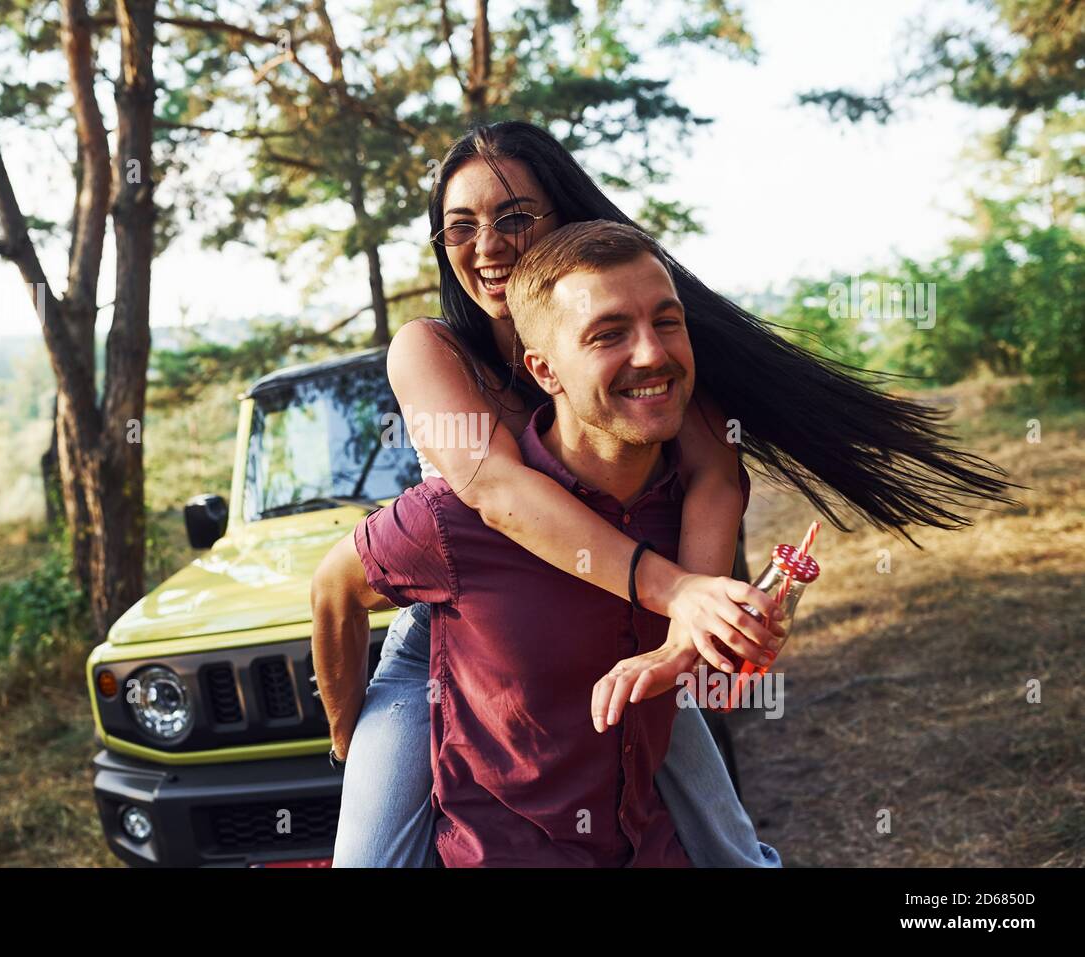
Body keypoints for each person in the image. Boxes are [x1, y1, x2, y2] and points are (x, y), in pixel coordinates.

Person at [315, 121, 1013, 868]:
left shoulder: (644, 332)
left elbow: (715, 475)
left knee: (729, 849)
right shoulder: (431, 349)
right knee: (371, 856)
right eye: (459, 226)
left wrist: (692, 629)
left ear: (564, 217)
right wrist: (677, 588)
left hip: (625, 618)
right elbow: (493, 486)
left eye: (514, 217)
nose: (485, 244)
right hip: (468, 634)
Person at [316, 221, 738, 865]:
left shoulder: (686, 489)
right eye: (608, 334)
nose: (490, 245)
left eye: (516, 219)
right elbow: (335, 586)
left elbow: (719, 494)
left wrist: (723, 631)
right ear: (543, 369)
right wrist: (346, 732)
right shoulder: (453, 514)